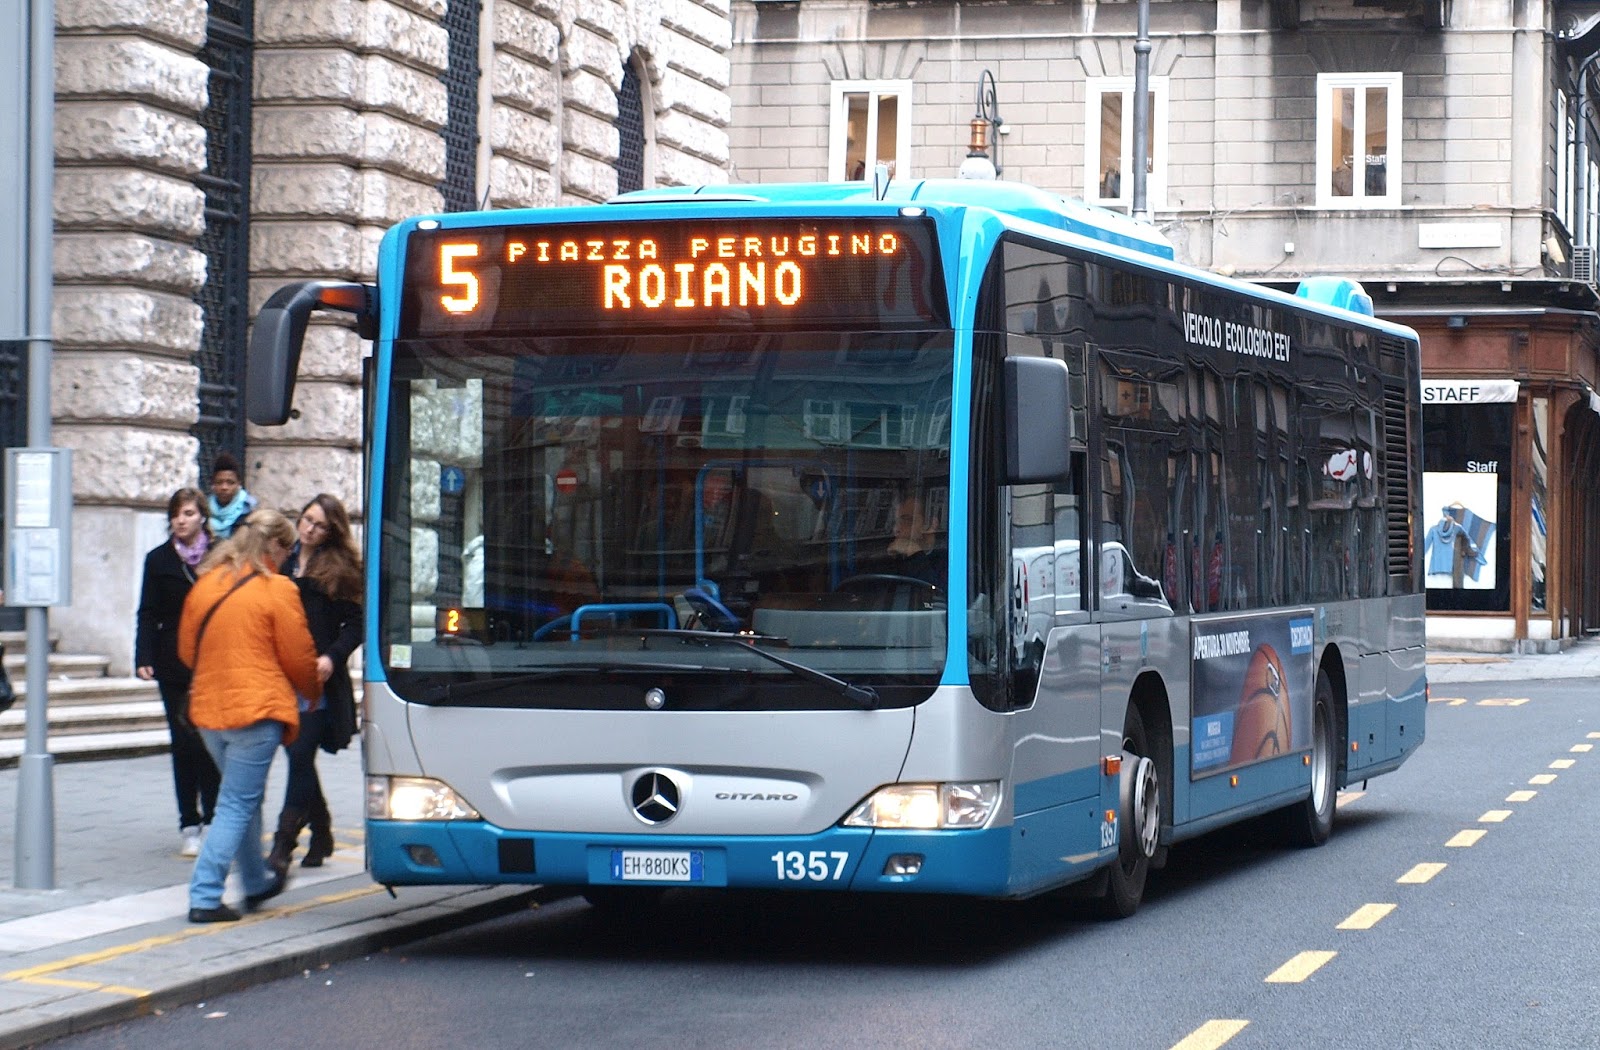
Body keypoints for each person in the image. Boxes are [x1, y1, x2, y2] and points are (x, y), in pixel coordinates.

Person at [178, 508, 320, 923]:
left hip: (209, 711)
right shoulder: (277, 589)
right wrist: (310, 694)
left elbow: (188, 651)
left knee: (242, 799)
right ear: (274, 545)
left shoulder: (207, 584)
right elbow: (299, 656)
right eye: (288, 548)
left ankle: (256, 882)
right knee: (237, 804)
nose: (289, 556)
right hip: (256, 711)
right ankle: (205, 895)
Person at [268, 494, 363, 875]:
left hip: (316, 679)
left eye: (319, 524)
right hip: (280, 674)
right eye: (307, 519)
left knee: (301, 753)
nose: (309, 528)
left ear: (331, 531)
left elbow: (356, 624)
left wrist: (332, 657)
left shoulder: (339, 570)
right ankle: (321, 830)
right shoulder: (282, 560)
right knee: (298, 757)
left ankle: (282, 845)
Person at [135, 487, 222, 857]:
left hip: (214, 658)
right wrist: (143, 655)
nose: (180, 521)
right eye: (175, 515)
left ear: (202, 515)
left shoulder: (221, 555)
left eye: (187, 513)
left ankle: (217, 817)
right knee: (183, 742)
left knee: (211, 741)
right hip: (173, 661)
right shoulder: (158, 560)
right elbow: (147, 612)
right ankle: (189, 821)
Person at [883, 491, 946, 591]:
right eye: (895, 522)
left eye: (907, 520)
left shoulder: (954, 563)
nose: (896, 529)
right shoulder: (889, 559)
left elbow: (940, 596)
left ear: (930, 524)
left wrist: (915, 552)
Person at [207, 451, 258, 539]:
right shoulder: (204, 510)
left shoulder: (249, 512)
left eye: (230, 482)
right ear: (213, 485)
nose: (224, 487)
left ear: (239, 484)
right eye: (219, 482)